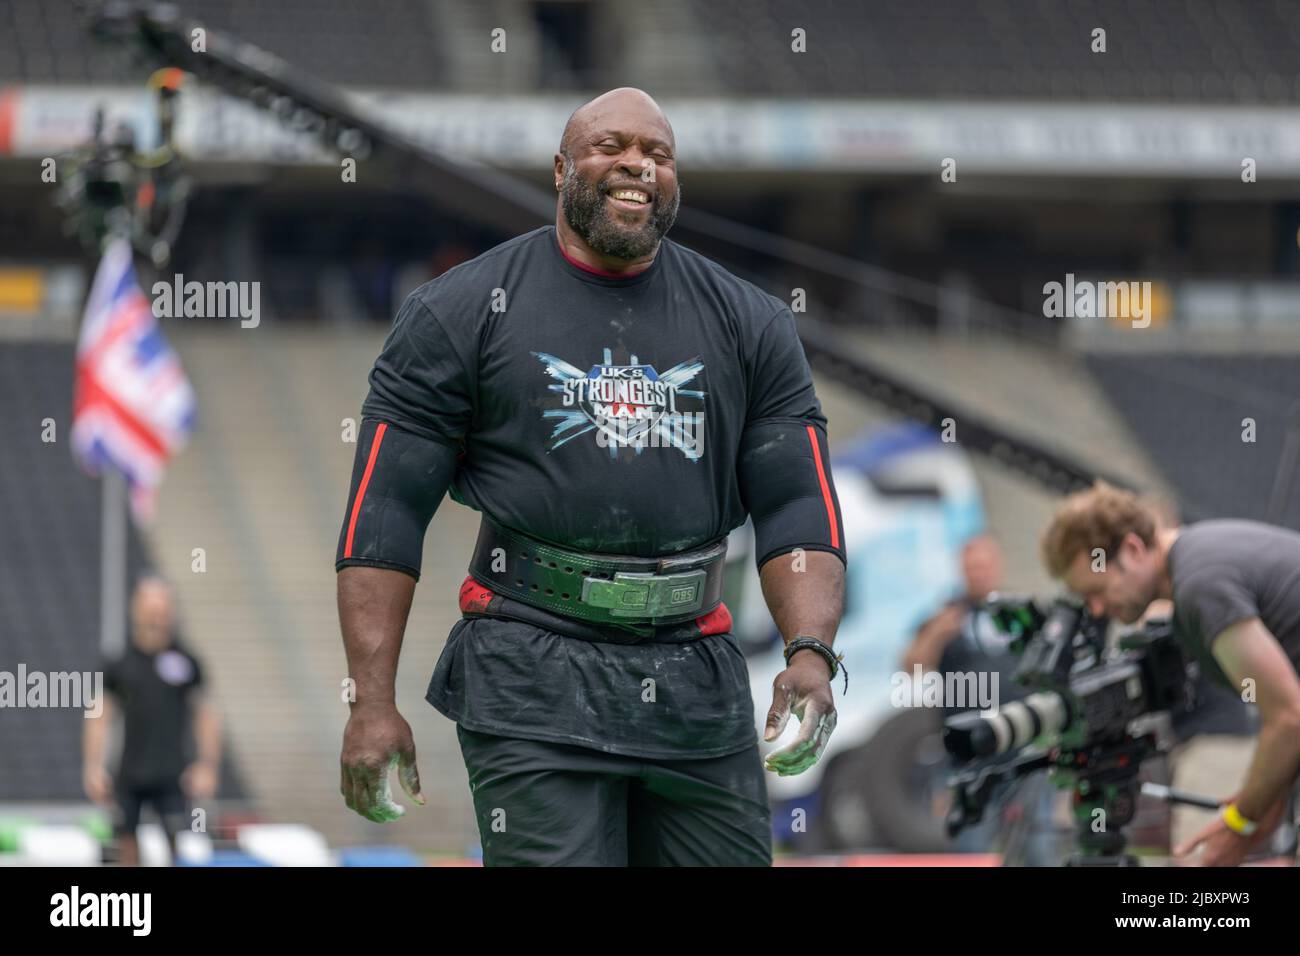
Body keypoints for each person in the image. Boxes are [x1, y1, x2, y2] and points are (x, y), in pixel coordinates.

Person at [335, 87, 847, 866]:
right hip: (530, 671)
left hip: (696, 673)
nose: (638, 163)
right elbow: (384, 516)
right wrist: (372, 703)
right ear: (561, 169)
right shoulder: (459, 311)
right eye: (611, 146)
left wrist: (809, 652)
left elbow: (798, 503)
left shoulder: (752, 321)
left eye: (659, 153)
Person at [1040, 480, 1300, 866]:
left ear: (1132, 549)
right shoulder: (1199, 566)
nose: (1094, 609)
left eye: (1097, 589)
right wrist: (1266, 804)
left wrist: (1241, 823)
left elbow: (1289, 718)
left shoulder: (1200, 583)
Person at [83, 575, 222, 866]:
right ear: (137, 611)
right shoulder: (120, 664)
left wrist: (207, 765)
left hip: (172, 774)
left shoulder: (186, 663)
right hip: (129, 774)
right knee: (127, 845)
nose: (158, 618)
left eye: (163, 610)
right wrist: (93, 765)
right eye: (151, 610)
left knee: (175, 844)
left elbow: (206, 715)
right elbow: (99, 715)